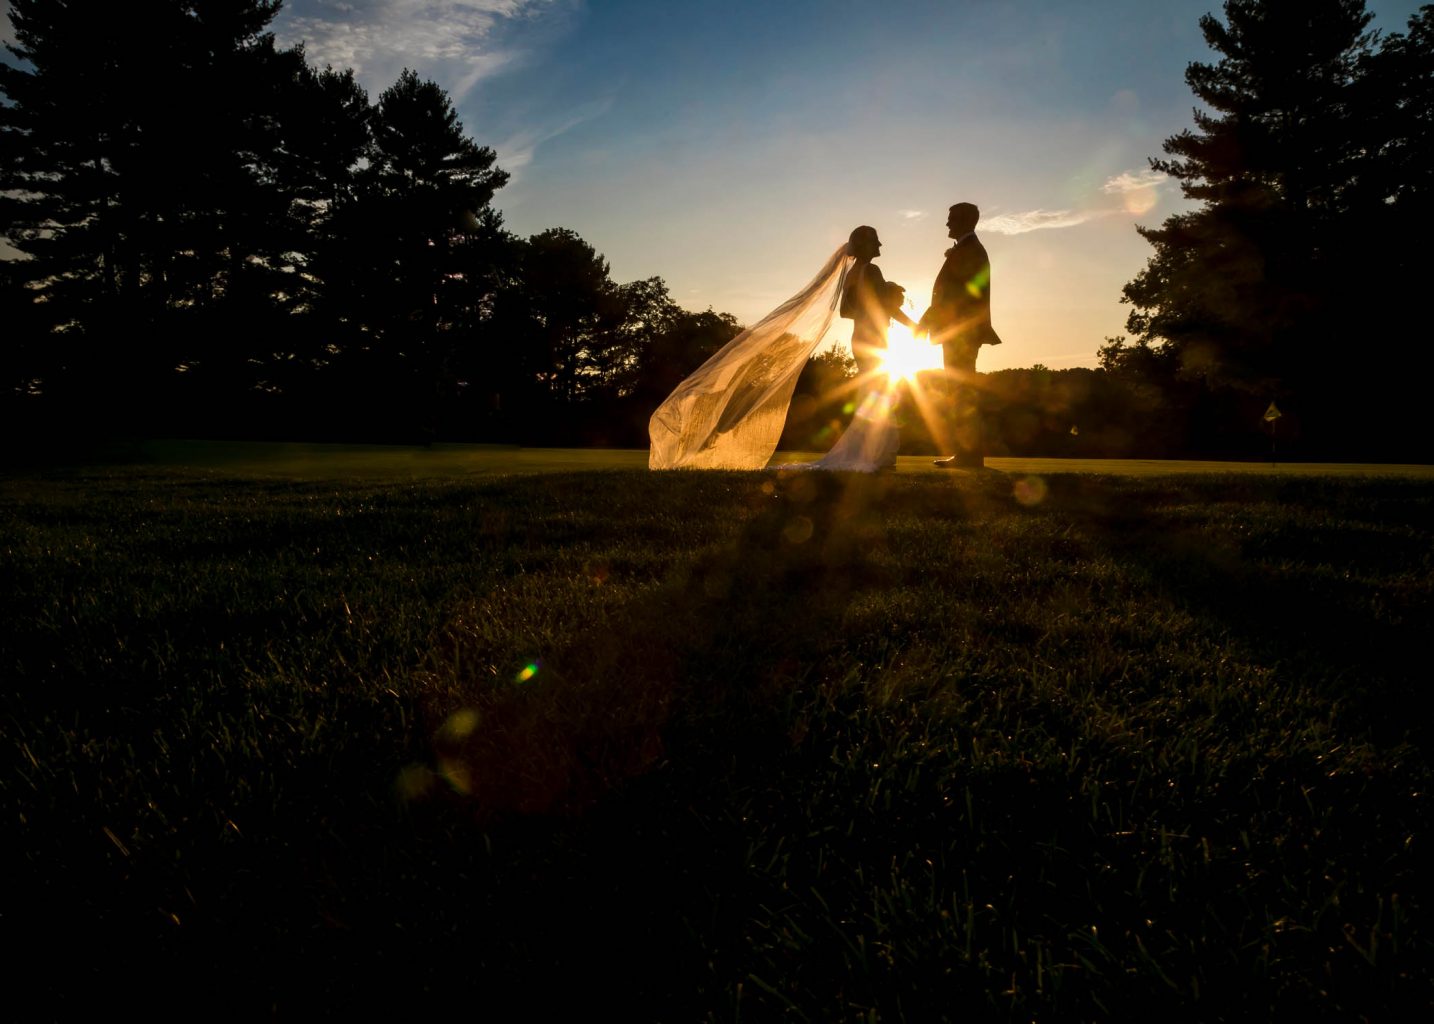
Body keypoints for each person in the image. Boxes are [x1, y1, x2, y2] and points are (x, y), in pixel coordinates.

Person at [800, 225, 916, 471]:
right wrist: (913, 326)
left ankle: (870, 451)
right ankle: (879, 453)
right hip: (874, 340)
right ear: (865, 245)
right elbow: (886, 307)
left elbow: (846, 311)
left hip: (859, 338)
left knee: (872, 394)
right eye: (875, 240)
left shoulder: (852, 273)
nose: (880, 245)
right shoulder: (872, 270)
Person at [917, 202, 1001, 468]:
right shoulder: (967, 250)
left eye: (951, 218)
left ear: (965, 220)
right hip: (959, 332)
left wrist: (926, 320)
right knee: (960, 392)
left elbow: (955, 296)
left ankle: (969, 456)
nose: (947, 224)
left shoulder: (970, 251)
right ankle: (966, 454)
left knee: (962, 394)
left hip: (962, 333)